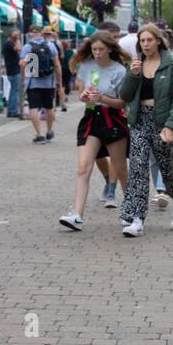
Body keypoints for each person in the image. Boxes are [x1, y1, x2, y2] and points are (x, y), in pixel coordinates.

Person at [117, 23, 173, 237]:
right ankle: (137, 219)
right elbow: (126, 95)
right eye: (142, 41)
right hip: (139, 121)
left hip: (162, 122)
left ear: (158, 40)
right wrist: (133, 75)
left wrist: (172, 126)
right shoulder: (135, 64)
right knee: (138, 169)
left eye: (149, 40)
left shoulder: (172, 66)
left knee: (168, 171)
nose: (145, 44)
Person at [60, 30, 131, 230]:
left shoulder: (119, 70)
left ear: (109, 48)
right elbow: (82, 92)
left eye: (101, 49)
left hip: (113, 120)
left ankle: (131, 209)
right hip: (91, 118)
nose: (97, 53)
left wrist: (102, 98)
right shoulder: (86, 66)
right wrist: (84, 95)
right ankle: (77, 214)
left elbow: (121, 103)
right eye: (94, 49)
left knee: (120, 169)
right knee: (83, 167)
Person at [22, 24, 60, 144]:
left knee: (33, 108)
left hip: (33, 82)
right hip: (49, 82)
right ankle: (49, 132)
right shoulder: (50, 45)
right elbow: (57, 65)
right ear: (41, 33)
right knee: (49, 107)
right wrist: (59, 81)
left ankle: (39, 135)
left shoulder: (27, 47)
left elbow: (23, 64)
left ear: (30, 33)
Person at [2, 29, 22, 118]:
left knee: (13, 91)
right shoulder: (9, 44)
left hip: (12, 71)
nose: (18, 36)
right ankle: (13, 111)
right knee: (15, 92)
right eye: (16, 34)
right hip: (13, 71)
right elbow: (18, 48)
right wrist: (18, 39)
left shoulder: (9, 44)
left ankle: (10, 111)